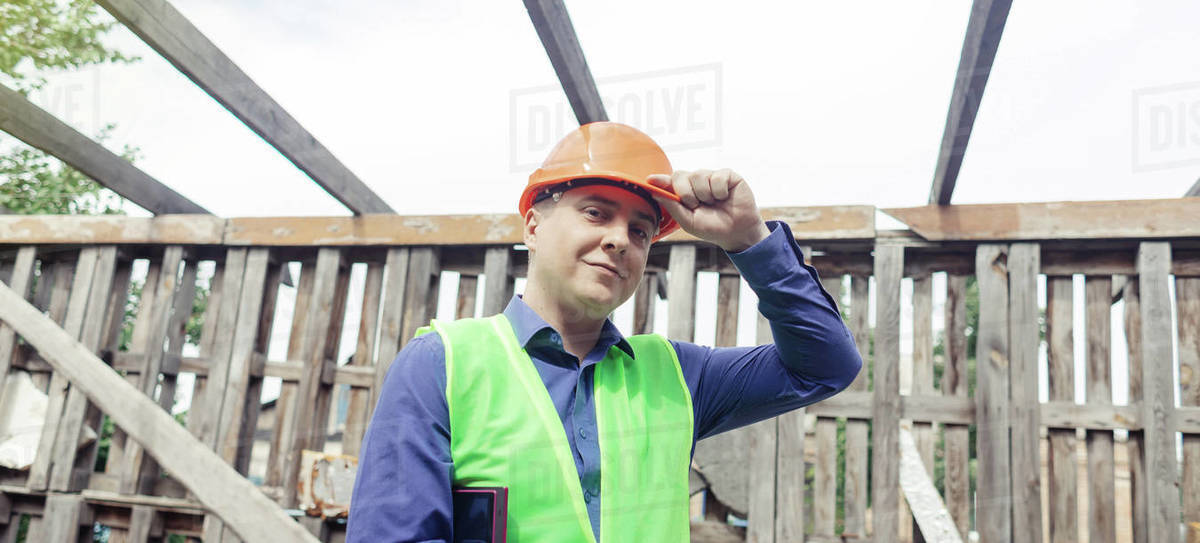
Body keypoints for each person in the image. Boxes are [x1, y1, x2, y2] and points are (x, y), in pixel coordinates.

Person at [347, 121, 862, 542]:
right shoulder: (442, 364)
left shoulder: (680, 377)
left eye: (640, 231)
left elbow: (826, 366)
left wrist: (749, 239)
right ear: (533, 225)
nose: (619, 239)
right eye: (596, 213)